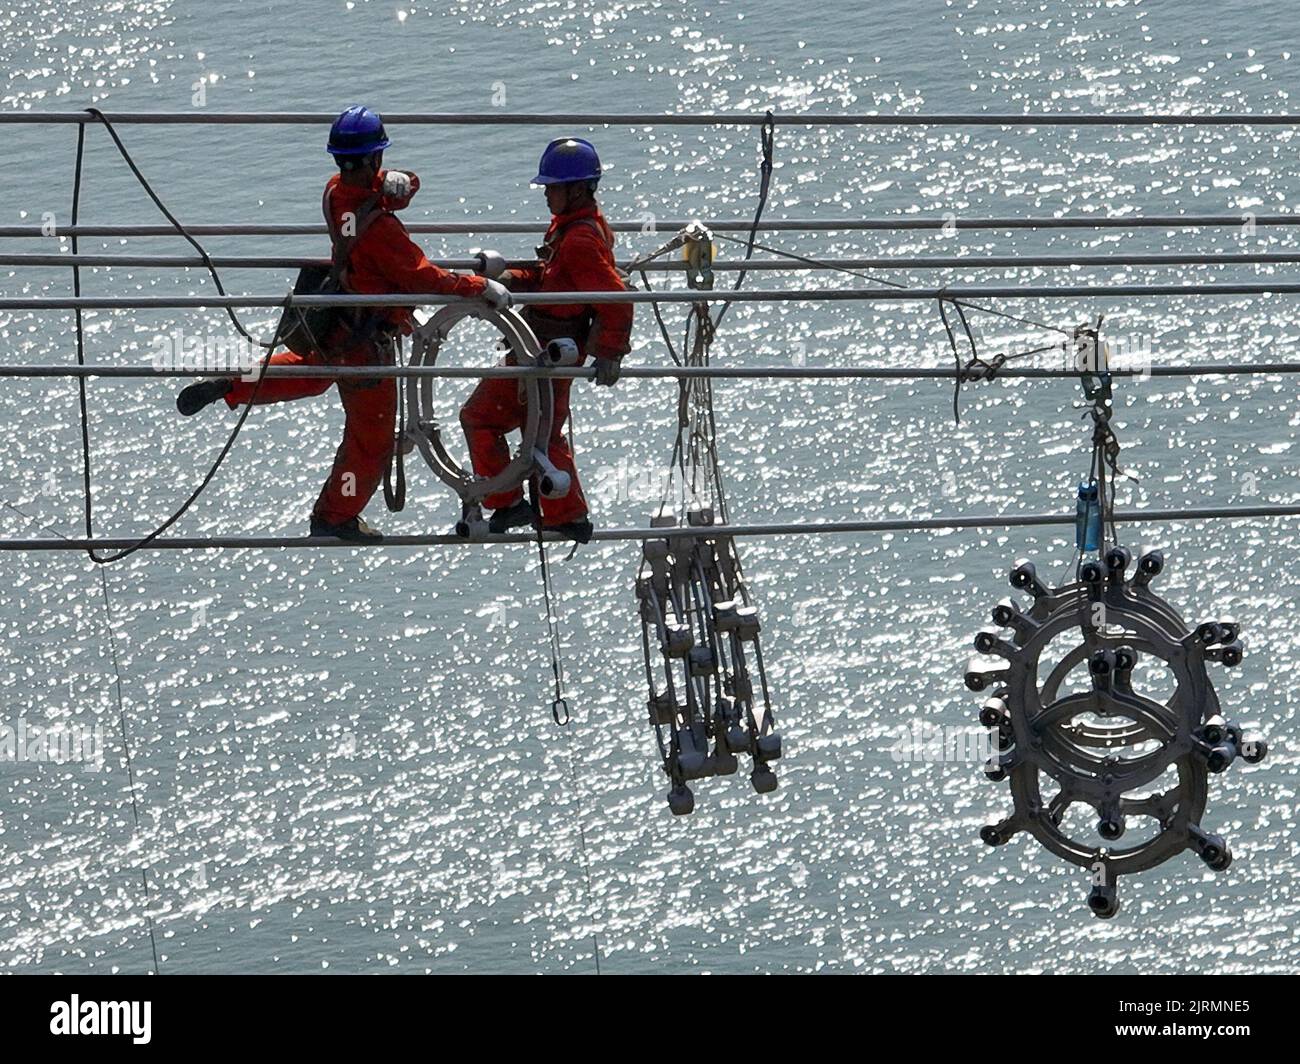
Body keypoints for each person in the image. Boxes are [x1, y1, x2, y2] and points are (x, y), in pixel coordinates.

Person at [176, 105, 510, 542]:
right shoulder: (382, 231)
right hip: (368, 341)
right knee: (369, 441)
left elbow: (392, 191)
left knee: (312, 374)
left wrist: (405, 182)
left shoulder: (336, 194)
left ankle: (237, 383)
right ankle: (335, 516)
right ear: (375, 157)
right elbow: (425, 277)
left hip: (339, 321)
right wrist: (479, 286)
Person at [459, 137, 634, 543]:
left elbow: (617, 301)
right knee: (543, 432)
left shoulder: (579, 241)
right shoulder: (576, 228)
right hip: (549, 351)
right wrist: (511, 279)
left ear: (577, 189)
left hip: (543, 352)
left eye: (552, 187)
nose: (546, 195)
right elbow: (553, 280)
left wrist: (609, 353)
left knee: (480, 418)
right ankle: (565, 513)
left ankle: (507, 502)